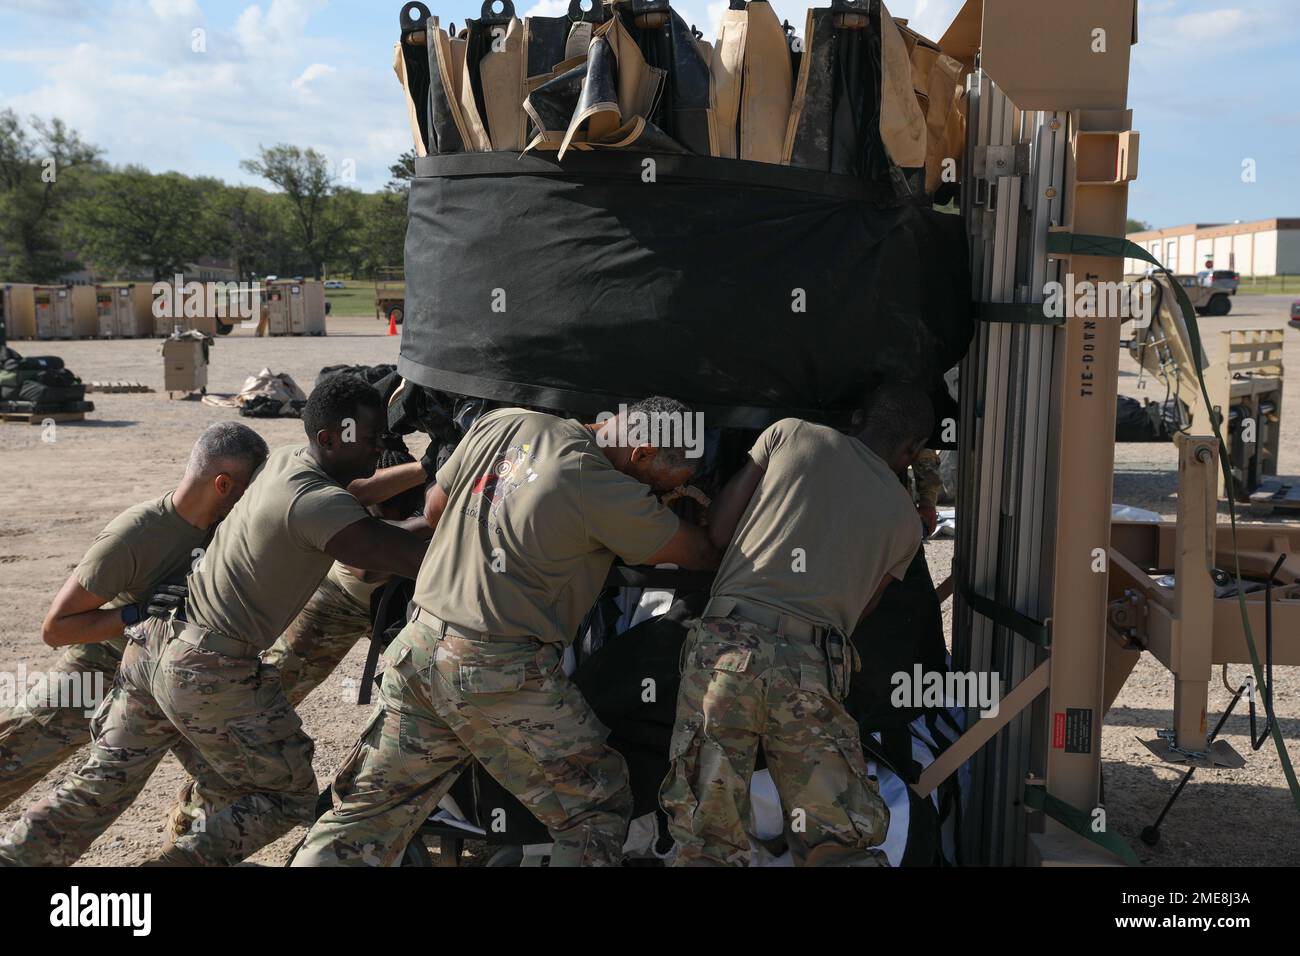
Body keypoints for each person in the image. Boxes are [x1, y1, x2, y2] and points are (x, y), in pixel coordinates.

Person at [0, 375, 428, 866]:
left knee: (98, 787)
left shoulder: (289, 460)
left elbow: (354, 487)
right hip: (205, 667)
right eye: (372, 440)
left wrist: (428, 468)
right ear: (331, 439)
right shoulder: (313, 505)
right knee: (286, 796)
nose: (380, 448)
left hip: (150, 652)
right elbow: (396, 554)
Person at [292, 397, 717, 867]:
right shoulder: (600, 484)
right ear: (641, 453)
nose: (658, 493)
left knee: (368, 812)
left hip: (420, 646)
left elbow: (434, 507)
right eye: (663, 482)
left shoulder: (505, 422)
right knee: (595, 801)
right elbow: (697, 553)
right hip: (496, 667)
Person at [659, 382, 934, 866]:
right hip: (812, 667)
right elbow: (860, 614)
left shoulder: (790, 434)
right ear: (910, 450)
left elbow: (719, 533)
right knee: (839, 838)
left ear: (854, 419)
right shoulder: (906, 524)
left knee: (707, 836)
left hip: (726, 651)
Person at [164, 446, 434, 846]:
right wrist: (428, 474)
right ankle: (199, 812)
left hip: (405, 604)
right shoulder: (365, 449)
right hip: (342, 597)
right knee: (259, 706)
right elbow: (358, 512)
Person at [0, 423, 268, 812]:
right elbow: (56, 629)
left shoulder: (228, 529)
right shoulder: (135, 535)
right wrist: (137, 613)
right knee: (14, 756)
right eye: (249, 489)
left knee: (231, 781)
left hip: (176, 673)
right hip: (100, 667)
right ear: (224, 484)